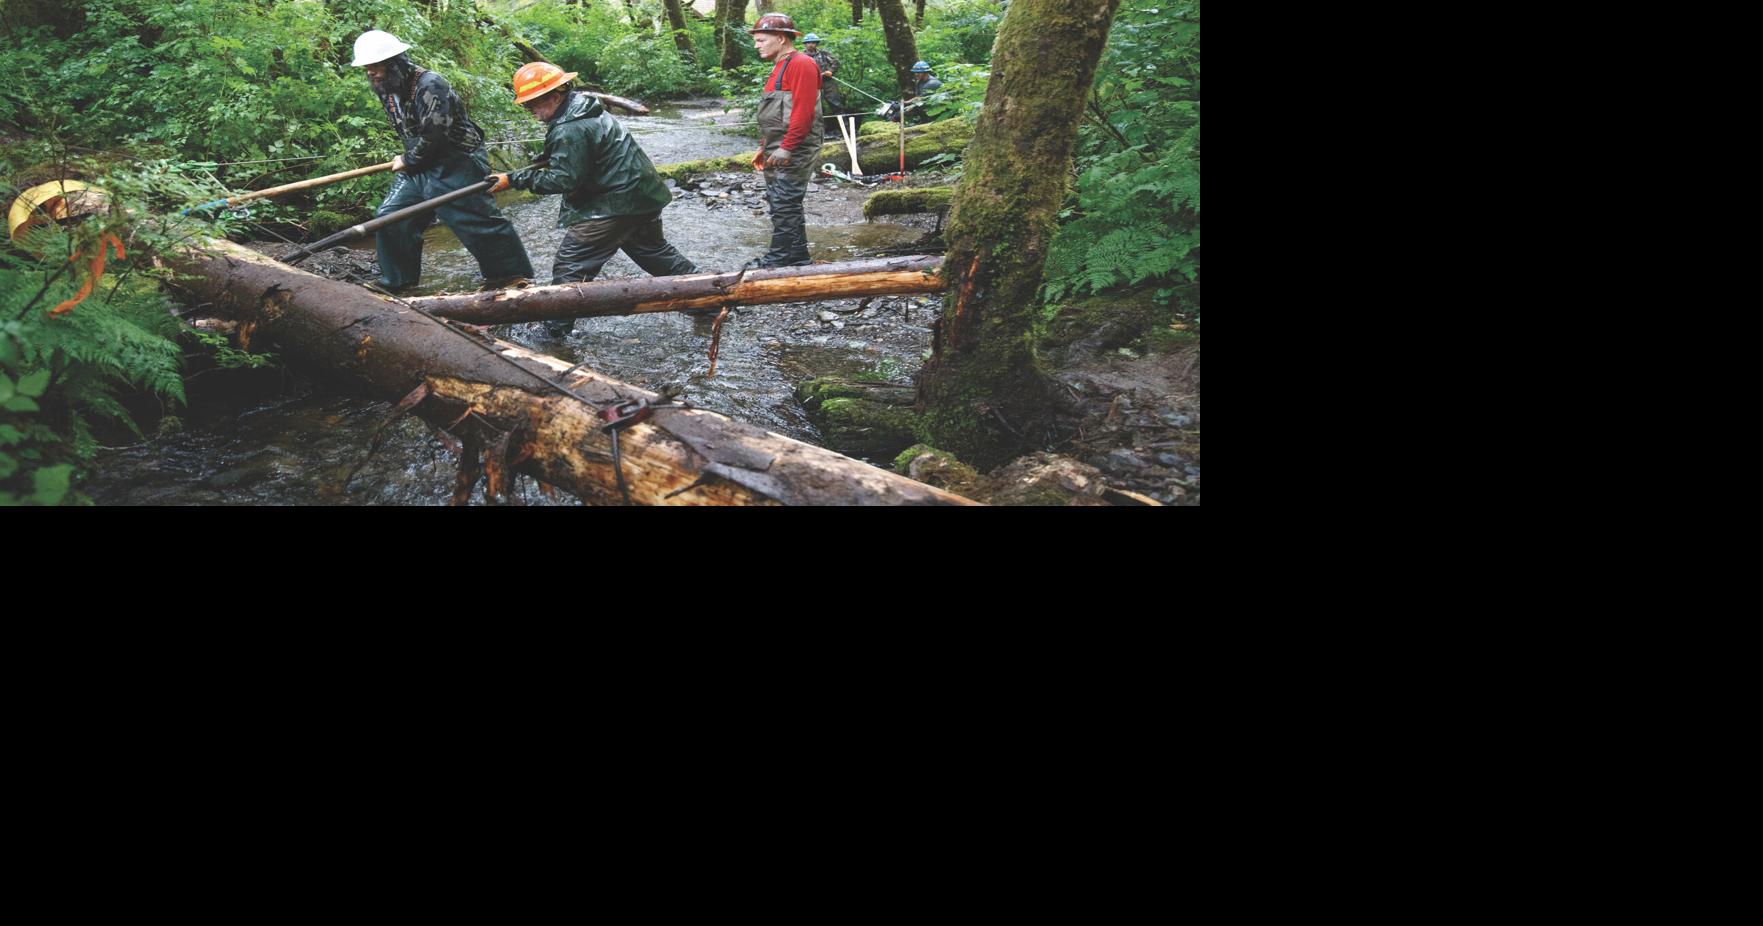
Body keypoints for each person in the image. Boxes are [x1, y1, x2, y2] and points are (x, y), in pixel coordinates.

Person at [486, 62, 697, 336]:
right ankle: (711, 299)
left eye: (534, 105)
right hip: (642, 196)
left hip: (614, 204)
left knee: (571, 265)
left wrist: (513, 180)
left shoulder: (569, 128)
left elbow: (564, 180)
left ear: (554, 95)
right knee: (655, 254)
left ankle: (554, 330)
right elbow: (584, 154)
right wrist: (548, 158)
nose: (533, 113)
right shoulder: (585, 107)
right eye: (528, 107)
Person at [351, 30, 533, 294]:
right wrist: (410, 159)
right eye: (367, 67)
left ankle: (512, 277)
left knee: (474, 219)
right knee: (390, 217)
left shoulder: (430, 84)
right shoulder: (387, 90)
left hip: (457, 160)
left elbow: (436, 135)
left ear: (395, 63)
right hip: (419, 163)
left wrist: (407, 159)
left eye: (375, 66)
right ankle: (398, 282)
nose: (371, 72)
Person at [744, 13, 823, 270]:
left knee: (784, 200)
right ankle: (798, 256)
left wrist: (787, 147)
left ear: (780, 38)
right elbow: (775, 113)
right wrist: (763, 145)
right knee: (781, 200)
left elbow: (803, 112)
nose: (756, 45)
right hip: (776, 145)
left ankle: (777, 259)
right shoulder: (779, 66)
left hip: (795, 146)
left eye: (760, 40)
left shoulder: (802, 64)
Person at [802, 33, 845, 137]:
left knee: (836, 104)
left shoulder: (824, 54)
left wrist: (830, 71)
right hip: (812, 84)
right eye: (809, 43)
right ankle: (820, 134)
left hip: (827, 81)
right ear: (805, 44)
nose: (811, 45)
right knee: (817, 108)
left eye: (813, 42)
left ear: (816, 43)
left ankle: (845, 129)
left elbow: (835, 62)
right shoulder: (801, 57)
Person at [905, 60, 943, 125]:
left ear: (926, 72)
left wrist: (910, 106)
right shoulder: (920, 82)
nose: (916, 74)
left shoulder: (932, 83)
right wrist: (906, 102)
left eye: (919, 73)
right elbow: (918, 97)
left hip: (937, 110)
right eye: (915, 72)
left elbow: (921, 99)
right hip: (928, 108)